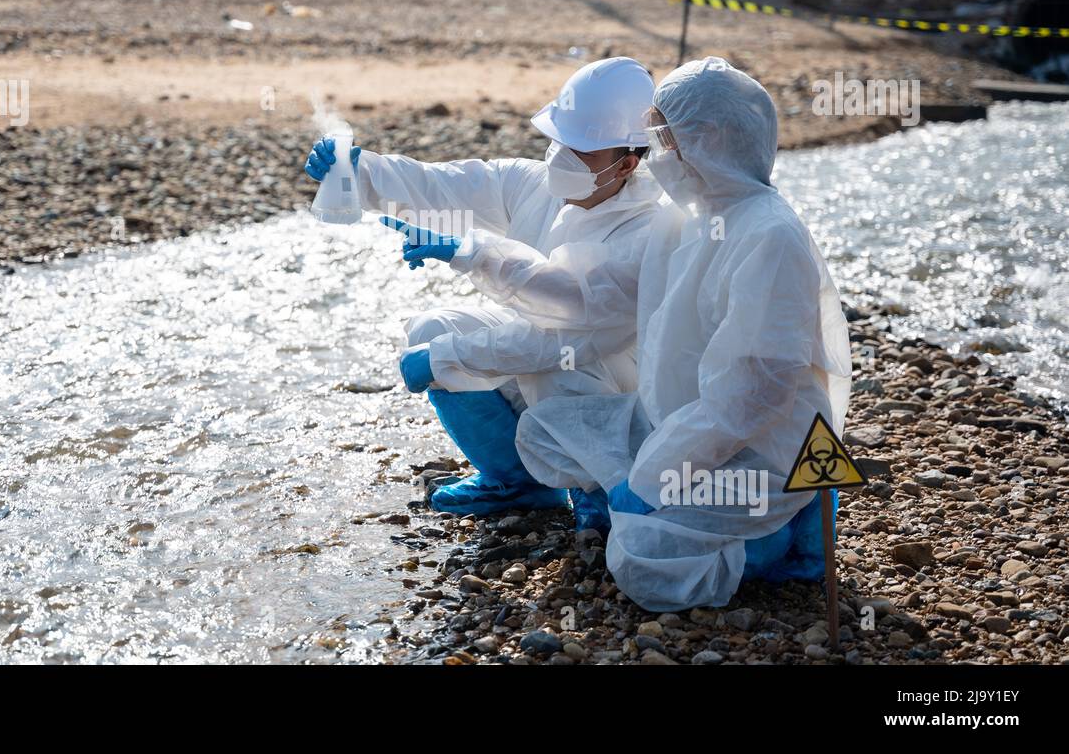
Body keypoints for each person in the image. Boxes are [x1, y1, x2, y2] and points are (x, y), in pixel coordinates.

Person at [397, 57, 852, 612]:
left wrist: (656, 476)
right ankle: (698, 514)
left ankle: (786, 538)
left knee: (639, 561)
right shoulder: (685, 217)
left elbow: (754, 397)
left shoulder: (769, 236)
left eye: (663, 136)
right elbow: (590, 298)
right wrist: (473, 255)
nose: (653, 153)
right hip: (679, 415)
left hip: (761, 450)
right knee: (549, 427)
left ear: (705, 140)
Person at [304, 57, 663, 519]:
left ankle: (595, 485)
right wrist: (361, 171)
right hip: (548, 350)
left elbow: (563, 326)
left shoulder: (646, 231)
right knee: (435, 330)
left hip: (605, 379)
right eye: (559, 142)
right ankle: (515, 484)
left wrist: (468, 261)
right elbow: (441, 188)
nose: (561, 158)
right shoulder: (535, 185)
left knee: (555, 369)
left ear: (627, 164)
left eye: (582, 151)